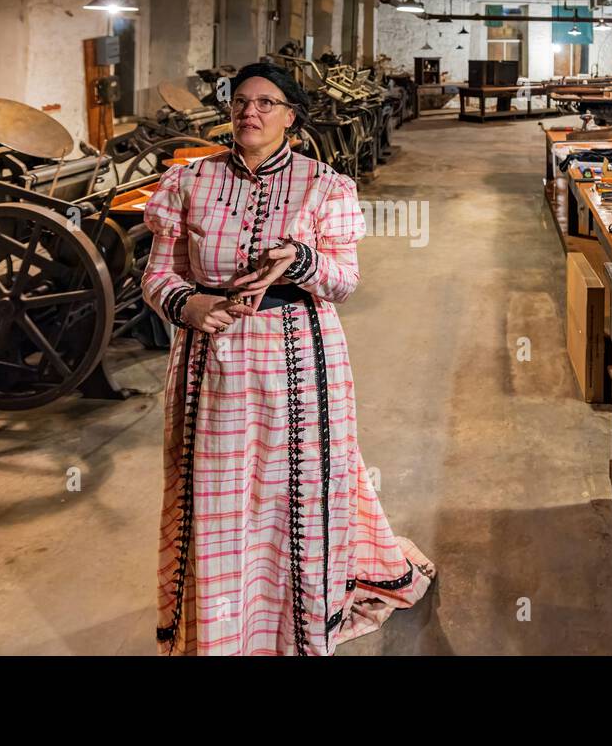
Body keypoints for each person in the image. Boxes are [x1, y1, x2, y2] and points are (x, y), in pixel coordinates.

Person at [142, 62, 435, 655]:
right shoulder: (188, 182)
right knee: (218, 490)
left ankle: (294, 618)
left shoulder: (325, 185)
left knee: (294, 492)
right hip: (213, 361)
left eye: (267, 103)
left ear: (292, 117)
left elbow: (345, 280)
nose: (251, 113)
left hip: (298, 358)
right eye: (242, 102)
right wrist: (188, 304)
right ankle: (225, 627)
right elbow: (156, 274)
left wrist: (297, 259)